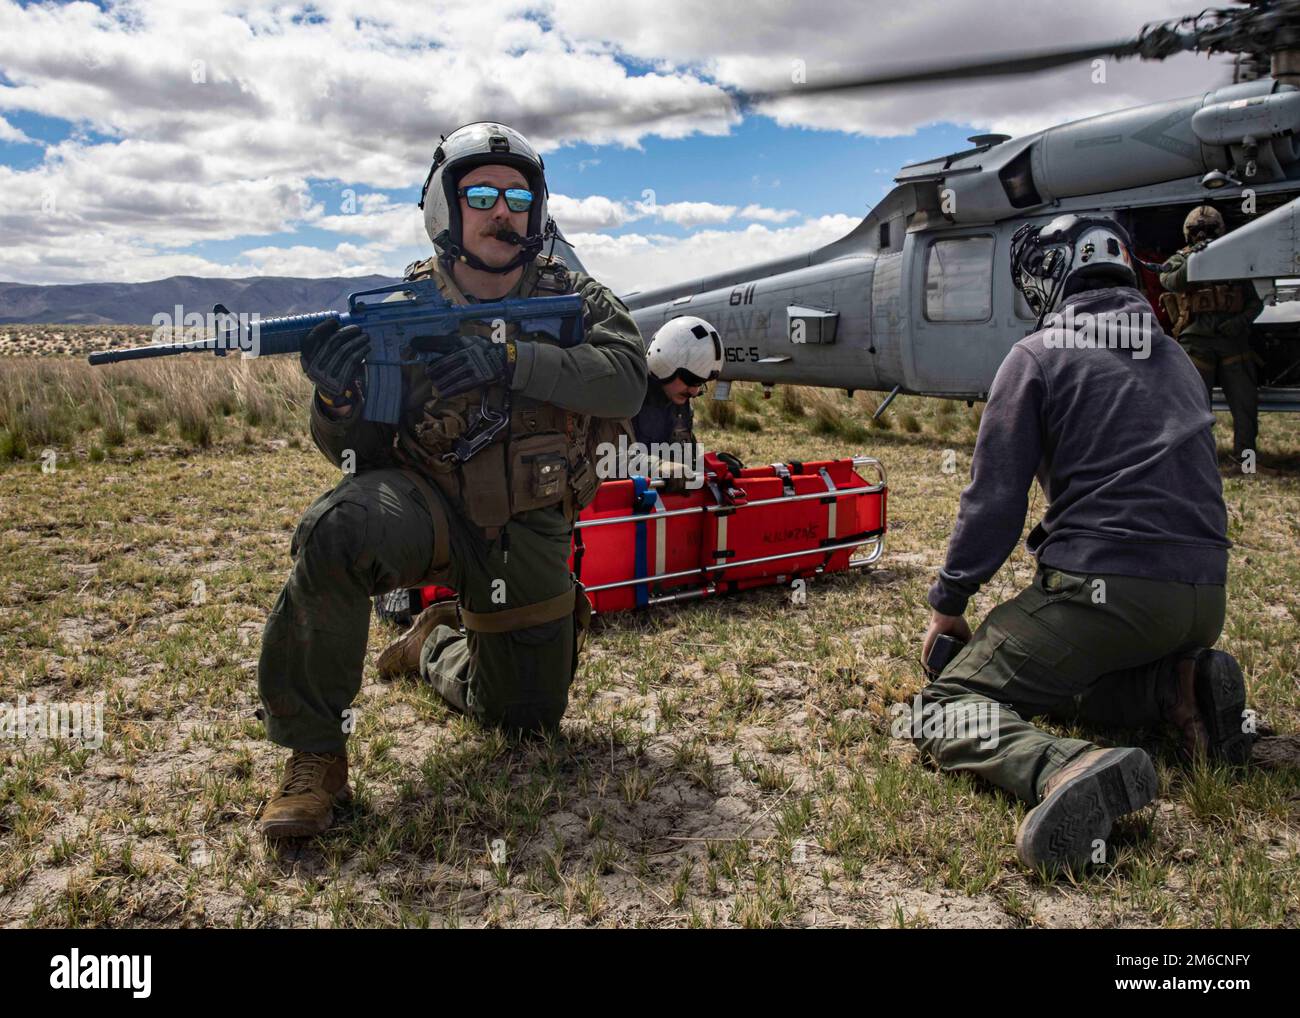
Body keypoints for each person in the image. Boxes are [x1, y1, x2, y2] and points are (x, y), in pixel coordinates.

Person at [257, 122, 647, 839]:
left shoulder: (574, 296)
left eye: (517, 196)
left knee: (527, 720)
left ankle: (431, 642)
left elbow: (626, 380)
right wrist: (338, 400)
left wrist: (509, 362)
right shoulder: (404, 311)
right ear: (445, 207)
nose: (503, 210)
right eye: (481, 195)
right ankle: (315, 759)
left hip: (530, 521)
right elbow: (357, 453)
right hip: (427, 509)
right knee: (337, 528)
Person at [916, 214, 1252, 872]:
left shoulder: (1037, 354)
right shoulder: (1176, 355)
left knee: (943, 706)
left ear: (1047, 280)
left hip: (1109, 593)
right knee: (1071, 671)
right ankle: (1176, 688)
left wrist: (949, 602)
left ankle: (1066, 769)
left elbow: (994, 501)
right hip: (1203, 599)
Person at [1158, 206, 1264, 461]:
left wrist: (1238, 323)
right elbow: (1170, 281)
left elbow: (1254, 303)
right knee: (1193, 407)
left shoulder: (1234, 261)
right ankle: (1199, 460)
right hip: (1195, 344)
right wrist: (1195, 260)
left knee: (1245, 404)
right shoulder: (1179, 259)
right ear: (1188, 234)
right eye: (1197, 231)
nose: (1203, 236)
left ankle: (1245, 458)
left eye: (1209, 231)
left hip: (1232, 343)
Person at [631, 315, 722, 490]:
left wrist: (712, 463)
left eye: (699, 383)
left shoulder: (678, 400)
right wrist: (658, 467)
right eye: (690, 380)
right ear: (662, 362)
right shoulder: (627, 396)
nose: (694, 392)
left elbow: (685, 454)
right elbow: (607, 458)